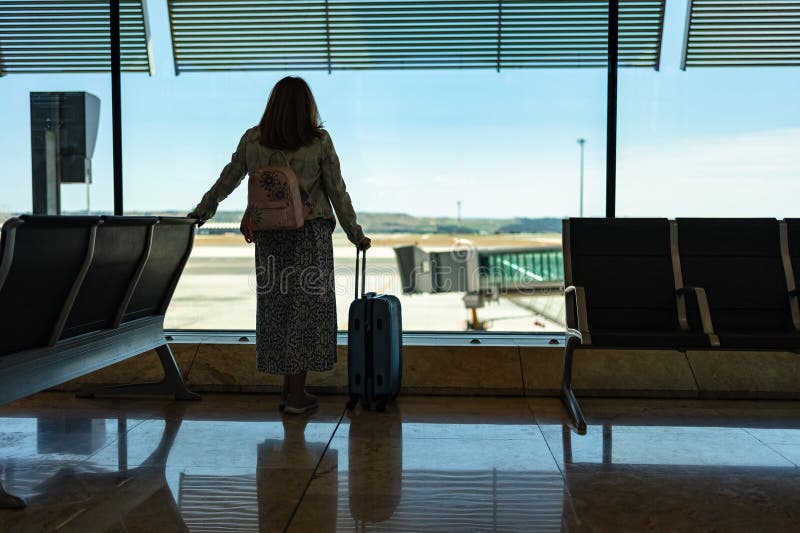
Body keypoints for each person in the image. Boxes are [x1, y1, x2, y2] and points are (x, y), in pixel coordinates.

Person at [188, 76, 371, 414]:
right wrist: (355, 233)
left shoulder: (253, 140)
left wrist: (201, 212)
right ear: (307, 107)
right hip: (309, 237)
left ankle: (288, 392)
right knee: (305, 312)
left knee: (278, 311)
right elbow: (337, 191)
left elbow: (227, 179)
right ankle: (297, 396)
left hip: (270, 237)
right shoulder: (319, 142)